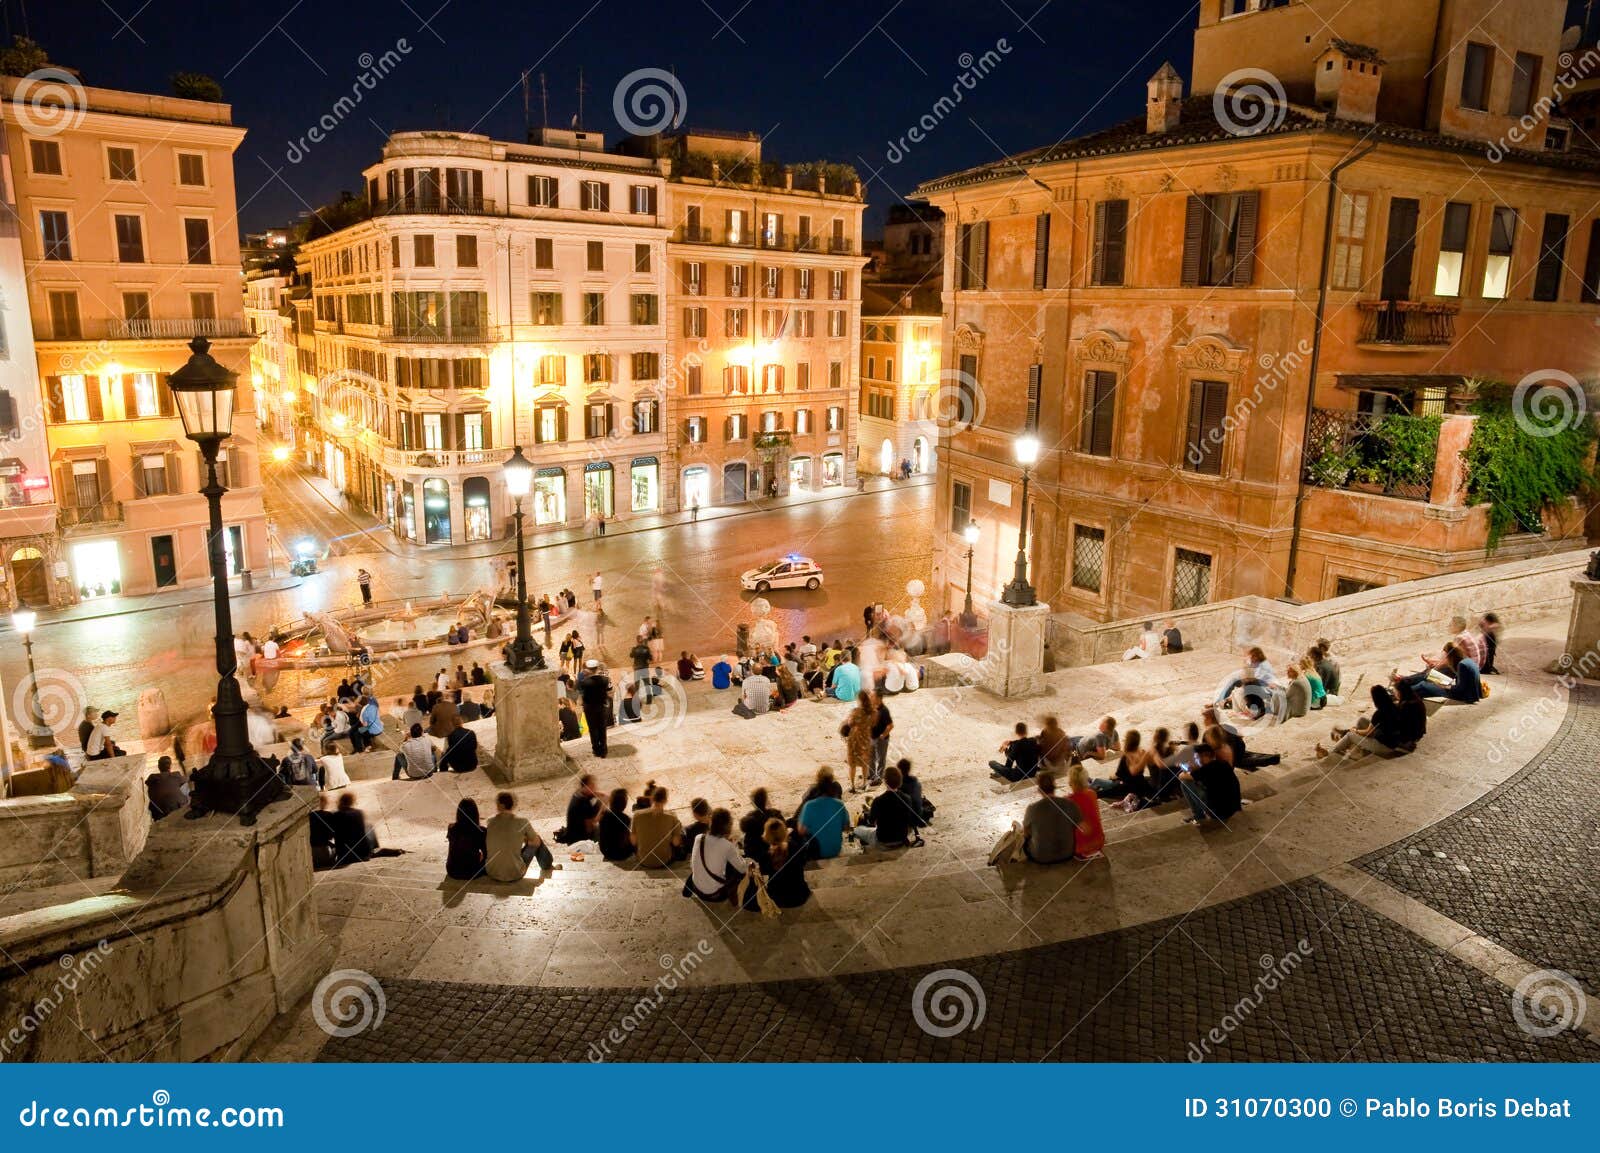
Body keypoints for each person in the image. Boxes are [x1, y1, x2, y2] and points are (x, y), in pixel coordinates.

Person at [485, 792, 559, 882]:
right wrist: (524, 838)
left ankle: (548, 865)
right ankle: (548, 866)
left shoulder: (490, 822)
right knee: (537, 839)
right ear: (512, 805)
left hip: (492, 872)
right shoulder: (522, 822)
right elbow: (536, 842)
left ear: (499, 805)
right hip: (515, 874)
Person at [1179, 727, 1242, 825]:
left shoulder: (1206, 769)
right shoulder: (1222, 763)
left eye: (1197, 757)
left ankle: (1199, 816)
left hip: (1219, 813)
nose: (1196, 760)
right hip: (1233, 807)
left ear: (1204, 756)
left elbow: (1181, 776)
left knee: (1185, 783)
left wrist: (1188, 769)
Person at [683, 808, 747, 902]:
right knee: (736, 868)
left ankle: (687, 890)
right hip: (716, 895)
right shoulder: (727, 846)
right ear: (728, 826)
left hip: (696, 889)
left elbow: (693, 865)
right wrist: (734, 849)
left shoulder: (699, 837)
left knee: (703, 862)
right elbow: (742, 869)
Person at [746, 818, 811, 909]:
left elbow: (764, 871)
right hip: (798, 896)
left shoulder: (766, 855)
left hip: (777, 897)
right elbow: (802, 862)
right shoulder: (795, 846)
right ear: (784, 832)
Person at [1022, 773, 1085, 864]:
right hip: (1067, 853)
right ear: (1055, 787)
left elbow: (1026, 833)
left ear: (1039, 790)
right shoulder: (1070, 804)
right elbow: (1083, 828)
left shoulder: (1032, 808)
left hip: (1041, 857)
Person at [854, 765, 919, 849]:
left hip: (882, 841)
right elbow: (909, 820)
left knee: (858, 830)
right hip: (901, 839)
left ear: (885, 781)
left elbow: (871, 821)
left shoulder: (878, 800)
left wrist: (870, 813)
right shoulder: (907, 798)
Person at [796, 777, 851, 860]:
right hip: (834, 850)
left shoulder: (809, 805)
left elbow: (801, 830)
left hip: (816, 852)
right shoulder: (839, 804)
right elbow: (846, 827)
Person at [632, 786, 684, 867]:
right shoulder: (672, 817)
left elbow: (633, 841)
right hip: (664, 860)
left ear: (651, 799)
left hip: (643, 859)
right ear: (665, 801)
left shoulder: (637, 815)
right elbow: (675, 843)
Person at [1066, 762, 1106, 859]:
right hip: (1099, 842)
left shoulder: (1068, 800)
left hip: (1080, 847)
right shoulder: (1092, 794)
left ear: (1070, 782)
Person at [840, 691, 876, 792]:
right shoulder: (872, 712)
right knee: (865, 763)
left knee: (852, 764)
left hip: (855, 740)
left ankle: (852, 786)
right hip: (866, 739)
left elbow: (850, 723)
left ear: (860, 700)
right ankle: (864, 783)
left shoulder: (856, 711)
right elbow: (873, 723)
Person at [330, 793, 378, 864]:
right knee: (369, 826)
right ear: (352, 802)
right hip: (363, 853)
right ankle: (374, 849)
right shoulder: (359, 813)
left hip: (344, 855)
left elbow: (332, 834)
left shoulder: (335, 815)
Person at [446, 798, 488, 880]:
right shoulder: (481, 831)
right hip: (472, 872)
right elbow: (486, 853)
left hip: (452, 870)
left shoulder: (451, 828)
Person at [578, 661, 613, 757]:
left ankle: (596, 749)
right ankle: (604, 749)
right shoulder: (605, 679)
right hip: (601, 706)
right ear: (597, 668)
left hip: (589, 708)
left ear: (588, 669)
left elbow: (581, 694)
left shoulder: (584, 682)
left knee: (593, 729)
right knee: (602, 728)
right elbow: (609, 690)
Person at [558, 774, 602, 843]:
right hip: (580, 838)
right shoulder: (584, 803)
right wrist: (602, 810)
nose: (595, 786)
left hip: (572, 833)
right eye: (593, 784)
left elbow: (593, 794)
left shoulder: (578, 793)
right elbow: (590, 829)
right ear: (587, 786)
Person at [598, 788, 634, 861]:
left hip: (606, 852)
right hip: (621, 854)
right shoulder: (626, 819)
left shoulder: (603, 816)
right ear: (624, 804)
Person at [868, 691, 893, 785]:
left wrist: (883, 735)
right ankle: (871, 774)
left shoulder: (884, 711)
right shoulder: (871, 708)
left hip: (881, 739)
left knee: (881, 758)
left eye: (872, 696)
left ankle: (878, 778)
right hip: (871, 737)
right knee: (871, 757)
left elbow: (890, 725)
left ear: (879, 698)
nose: (870, 697)